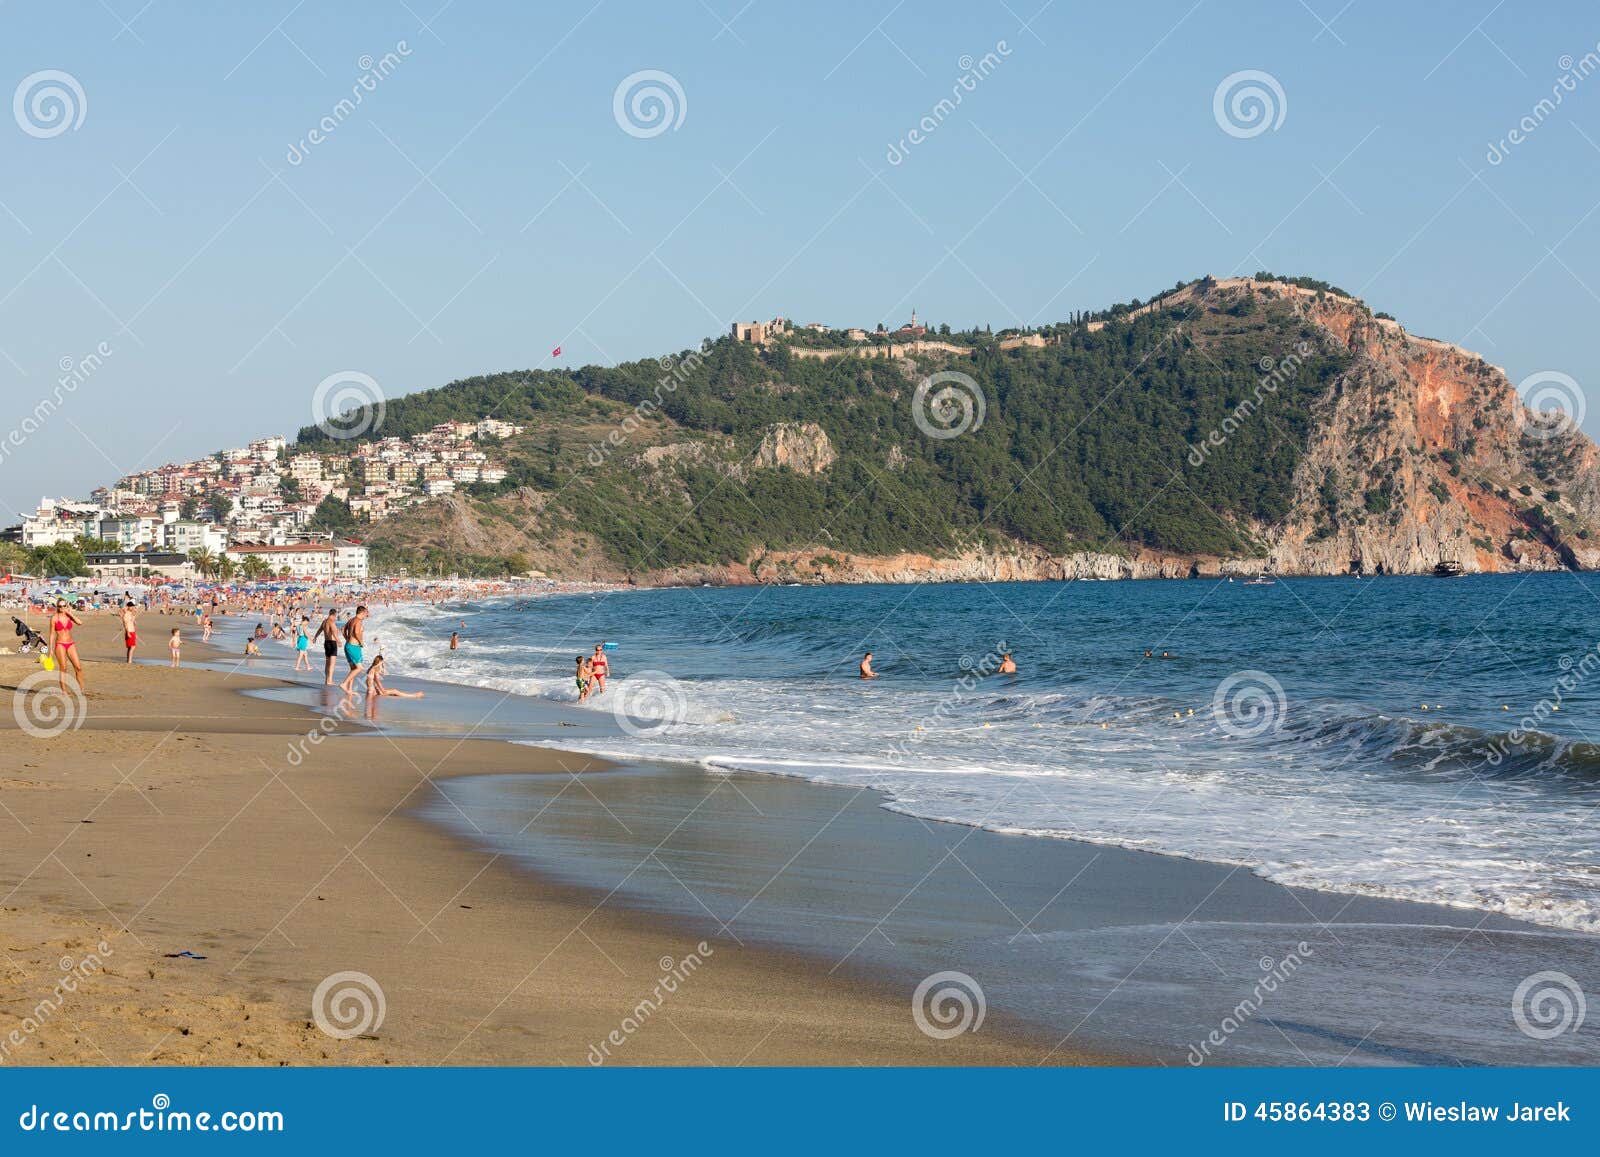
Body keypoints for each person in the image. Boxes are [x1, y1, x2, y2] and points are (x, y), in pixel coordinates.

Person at [48, 598, 86, 694]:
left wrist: (70, 613)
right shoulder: (54, 618)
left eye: (64, 605)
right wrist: (51, 650)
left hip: (70, 643)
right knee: (63, 668)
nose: (62, 608)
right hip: (60, 644)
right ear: (57, 607)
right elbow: (52, 634)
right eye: (60, 606)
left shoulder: (69, 616)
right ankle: (64, 691)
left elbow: (80, 623)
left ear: (66, 606)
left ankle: (81, 689)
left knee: (78, 667)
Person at [338, 605, 370, 694]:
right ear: (362, 613)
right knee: (359, 668)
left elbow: (342, 629)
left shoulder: (351, 620)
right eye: (366, 613)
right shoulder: (359, 621)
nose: (366, 616)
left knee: (353, 669)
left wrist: (347, 638)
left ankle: (349, 690)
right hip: (354, 647)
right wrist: (361, 642)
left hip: (348, 645)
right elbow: (356, 632)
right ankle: (344, 684)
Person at [313, 608, 340, 686]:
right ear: (334, 614)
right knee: (332, 663)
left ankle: (326, 679)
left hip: (326, 643)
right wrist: (338, 641)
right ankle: (330, 680)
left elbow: (319, 630)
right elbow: (334, 633)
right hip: (332, 643)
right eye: (335, 616)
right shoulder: (331, 622)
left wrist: (315, 637)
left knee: (327, 662)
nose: (335, 617)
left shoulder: (324, 622)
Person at [120, 600, 138, 664]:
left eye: (133, 607)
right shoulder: (126, 614)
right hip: (129, 631)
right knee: (133, 647)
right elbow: (125, 624)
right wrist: (127, 632)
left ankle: (128, 659)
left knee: (130, 647)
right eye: (131, 607)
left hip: (132, 631)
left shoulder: (131, 614)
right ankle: (129, 661)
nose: (133, 608)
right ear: (128, 607)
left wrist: (135, 633)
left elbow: (134, 623)